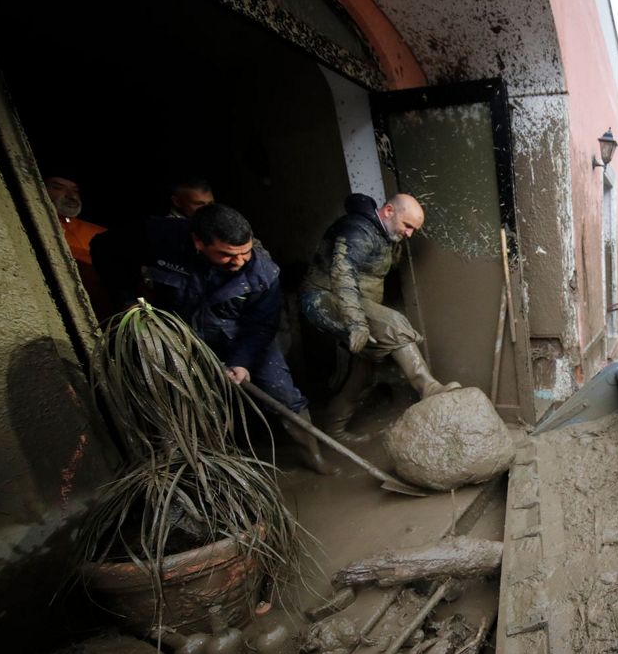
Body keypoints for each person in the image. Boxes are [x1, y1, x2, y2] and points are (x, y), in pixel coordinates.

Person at [141, 203, 331, 473]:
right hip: (180, 332)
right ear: (199, 242)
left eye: (245, 252)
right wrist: (127, 299)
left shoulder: (264, 272)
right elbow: (105, 247)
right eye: (228, 255)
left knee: (282, 392)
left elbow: (262, 325)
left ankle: (314, 456)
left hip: (241, 332)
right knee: (194, 403)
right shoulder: (161, 235)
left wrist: (241, 362)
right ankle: (218, 470)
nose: (240, 262)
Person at [300, 192, 458, 441]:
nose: (409, 234)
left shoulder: (384, 234)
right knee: (395, 325)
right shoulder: (357, 231)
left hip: (353, 301)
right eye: (407, 226)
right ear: (388, 211)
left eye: (413, 230)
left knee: (365, 371)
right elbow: (343, 276)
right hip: (324, 298)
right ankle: (429, 387)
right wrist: (356, 323)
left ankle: (333, 430)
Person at [44, 174, 111, 320]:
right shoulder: (39, 230)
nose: (71, 195)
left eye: (75, 190)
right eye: (57, 187)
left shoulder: (101, 233)